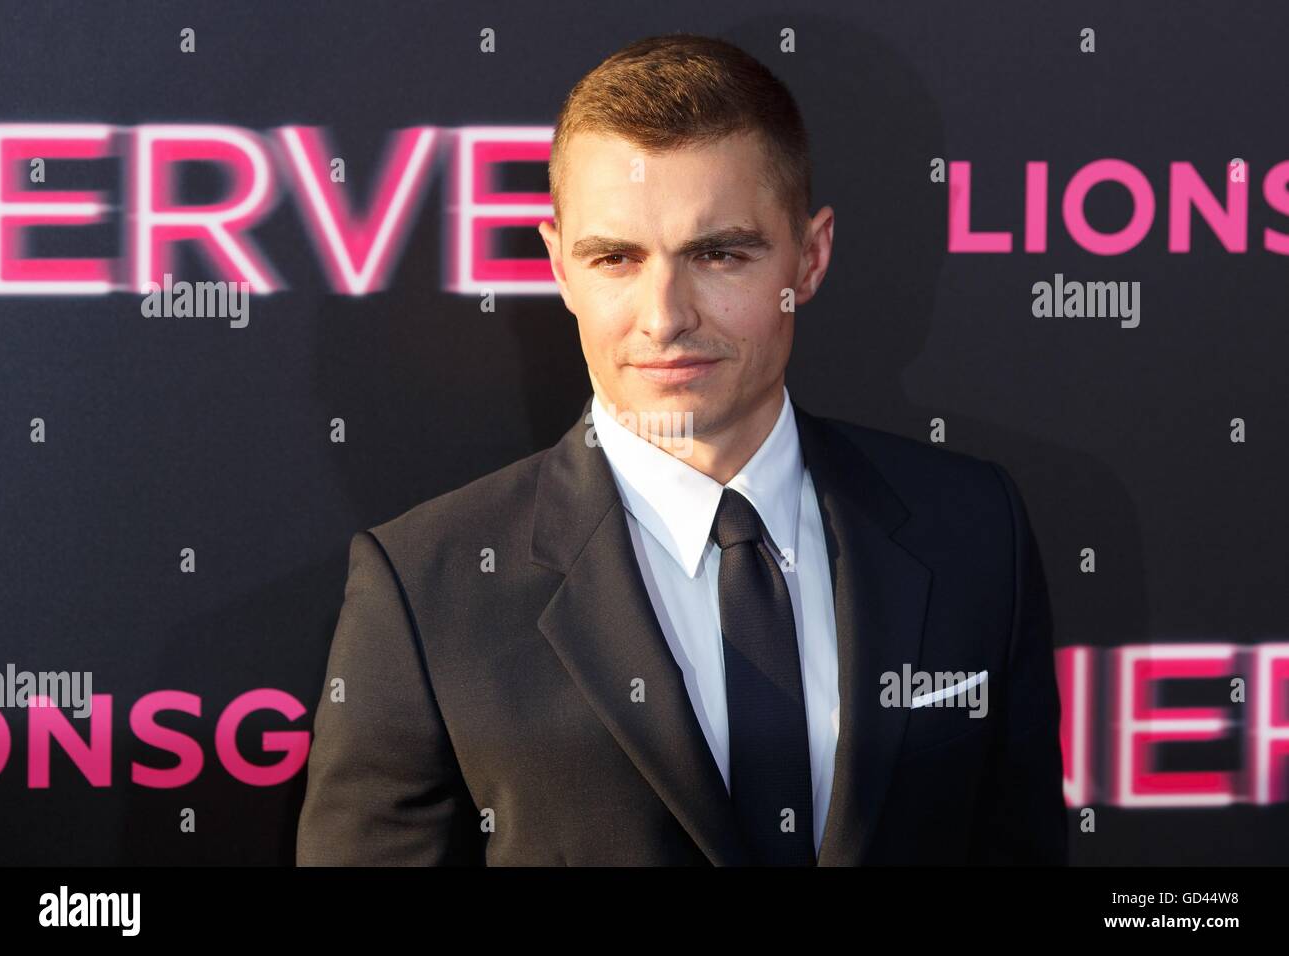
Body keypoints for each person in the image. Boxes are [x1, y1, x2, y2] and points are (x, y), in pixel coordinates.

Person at [295, 32, 1067, 866]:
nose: (665, 317)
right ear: (559, 267)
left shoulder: (975, 531)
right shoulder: (425, 589)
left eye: (720, 255)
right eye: (616, 259)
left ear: (810, 258)